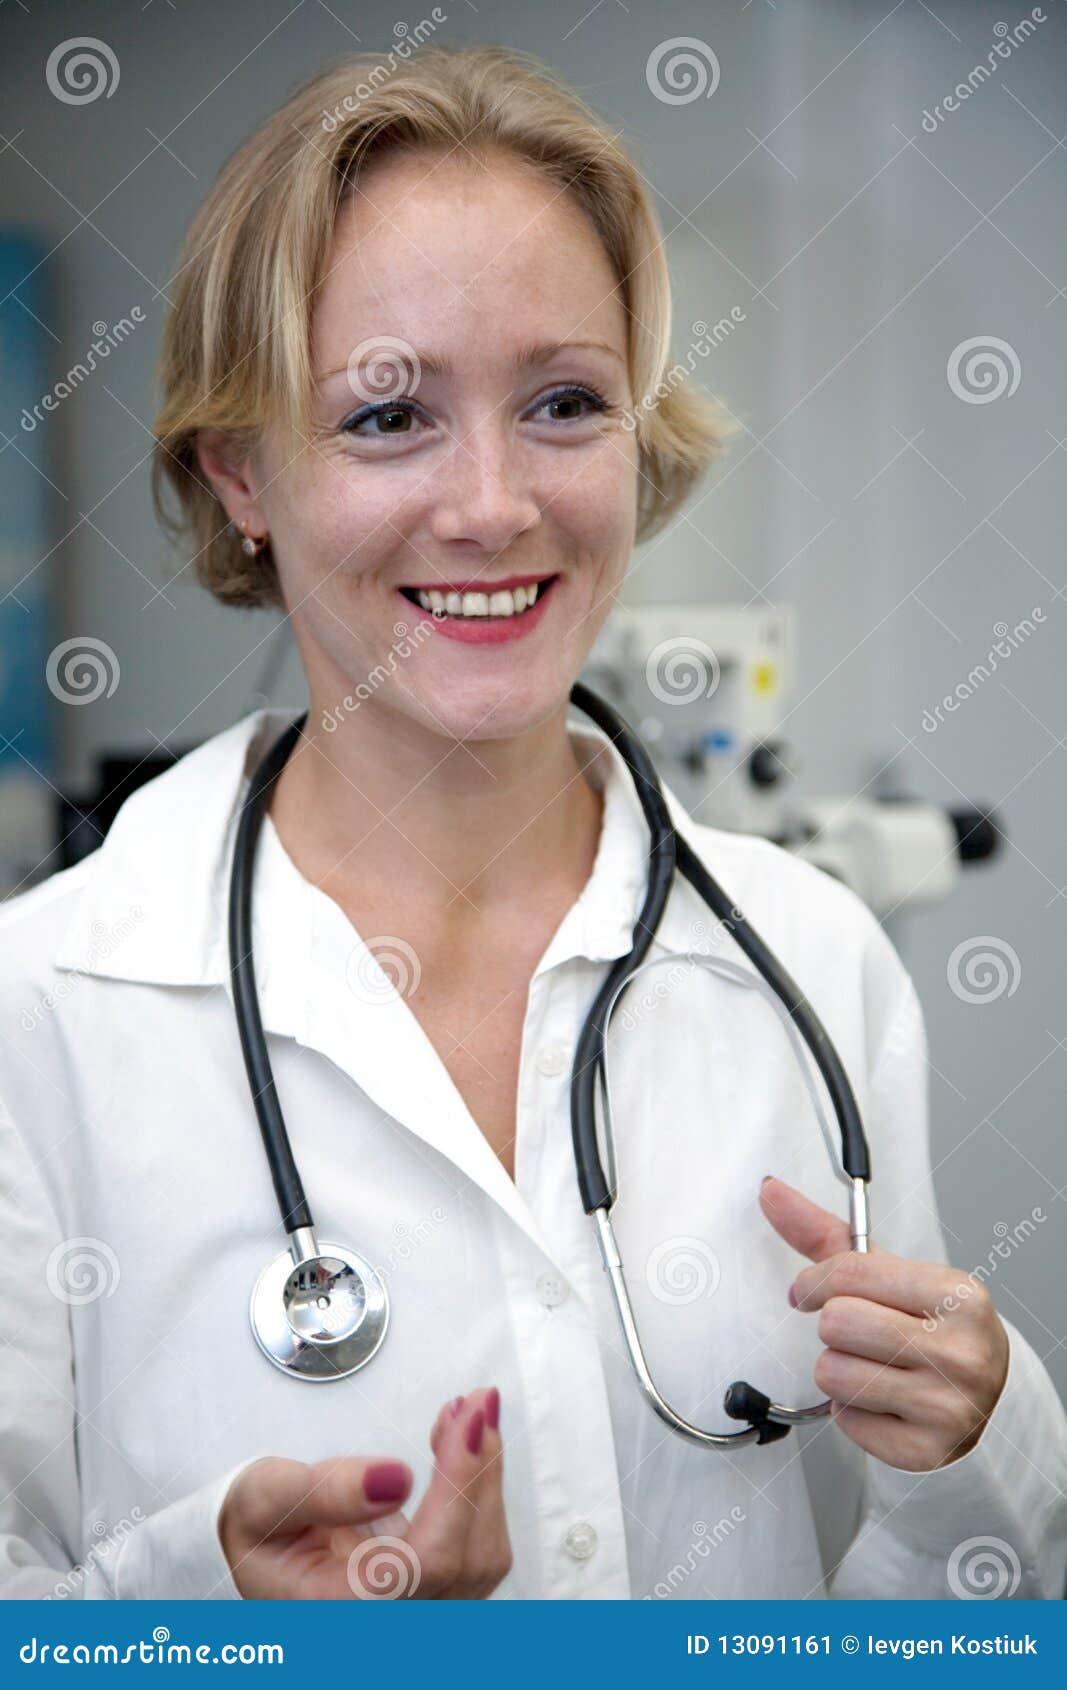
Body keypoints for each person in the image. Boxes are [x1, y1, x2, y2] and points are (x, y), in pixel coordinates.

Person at [1, 42, 1064, 1603]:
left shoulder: (811, 963)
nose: (495, 505)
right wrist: (208, 1609)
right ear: (240, 471)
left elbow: (926, 1629)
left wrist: (982, 1448)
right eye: (387, 417)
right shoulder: (45, 1010)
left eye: (564, 402)